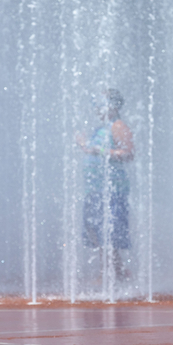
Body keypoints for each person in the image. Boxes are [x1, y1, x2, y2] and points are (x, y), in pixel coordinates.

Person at [76, 89, 134, 282]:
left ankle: (114, 273)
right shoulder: (101, 128)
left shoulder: (117, 126)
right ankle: (116, 271)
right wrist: (85, 146)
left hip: (113, 190)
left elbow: (128, 153)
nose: (95, 108)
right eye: (95, 104)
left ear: (114, 106)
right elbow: (93, 152)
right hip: (95, 189)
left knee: (108, 233)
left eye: (100, 104)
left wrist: (96, 149)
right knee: (94, 231)